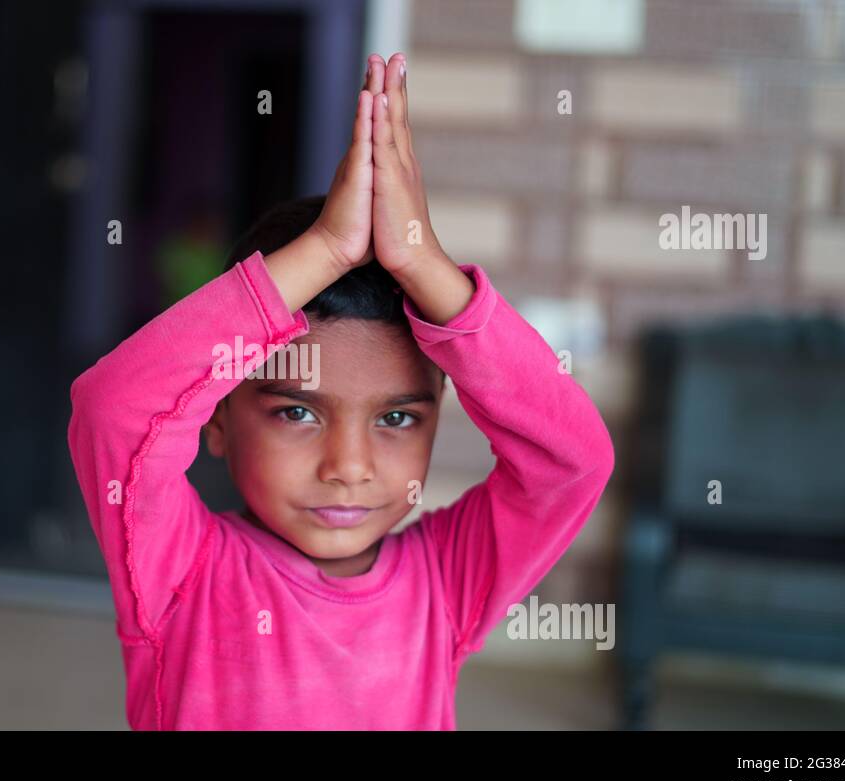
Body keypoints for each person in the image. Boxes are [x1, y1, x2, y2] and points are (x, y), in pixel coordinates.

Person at [68, 53, 615, 729]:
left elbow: (572, 461)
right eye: (297, 411)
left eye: (396, 419)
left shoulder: (448, 581)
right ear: (218, 417)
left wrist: (423, 264)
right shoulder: (180, 570)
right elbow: (114, 410)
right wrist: (327, 247)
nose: (348, 467)